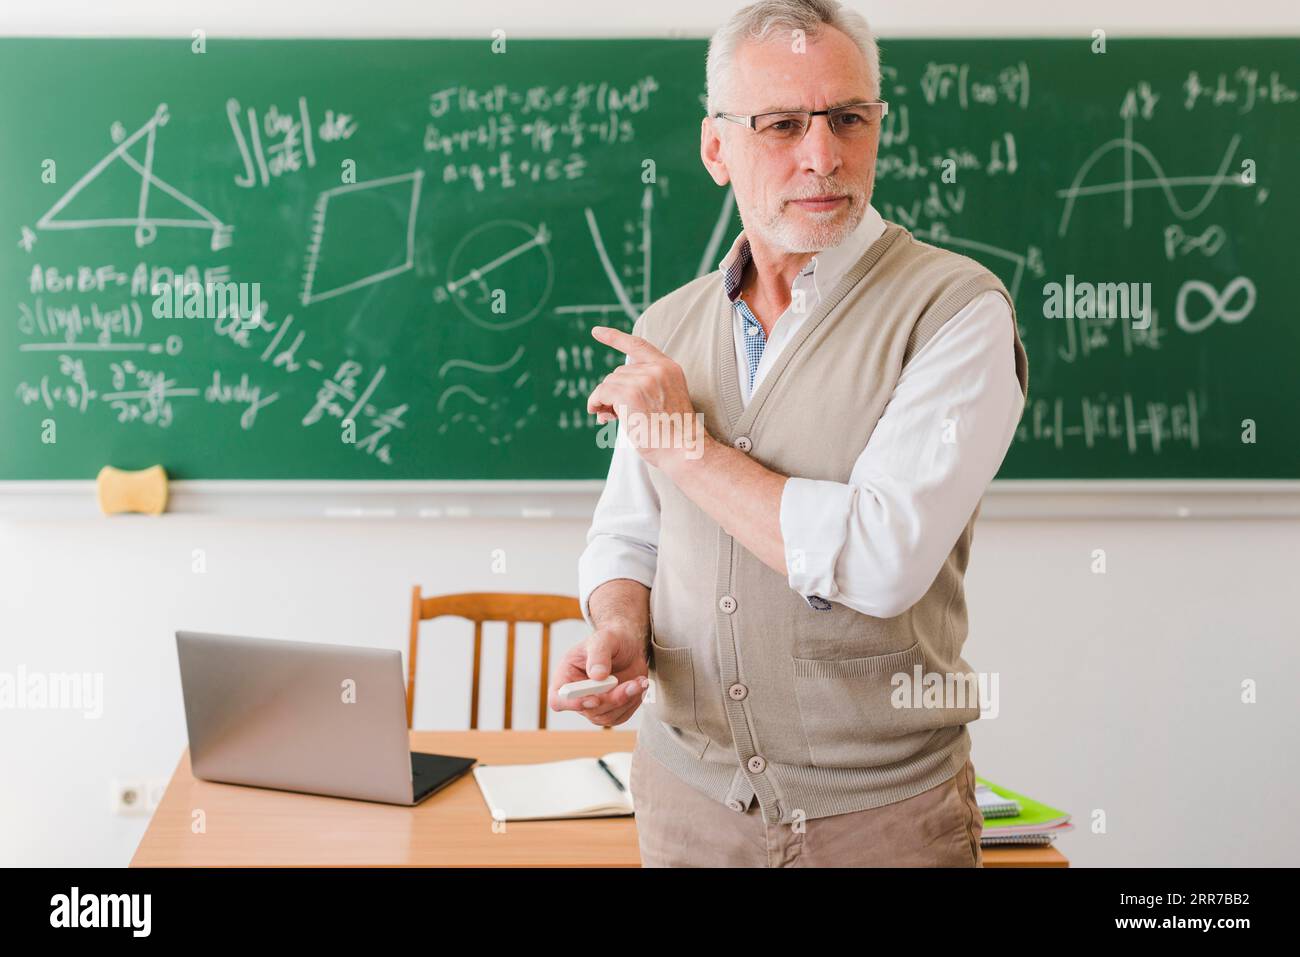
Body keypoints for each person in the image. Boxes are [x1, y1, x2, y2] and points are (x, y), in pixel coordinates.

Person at [549, 0, 1028, 867]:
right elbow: (629, 532)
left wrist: (687, 444)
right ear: (715, 148)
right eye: (780, 124)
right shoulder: (668, 324)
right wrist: (618, 626)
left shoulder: (957, 313)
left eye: (849, 118)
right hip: (685, 802)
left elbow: (880, 562)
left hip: (883, 824)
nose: (823, 155)